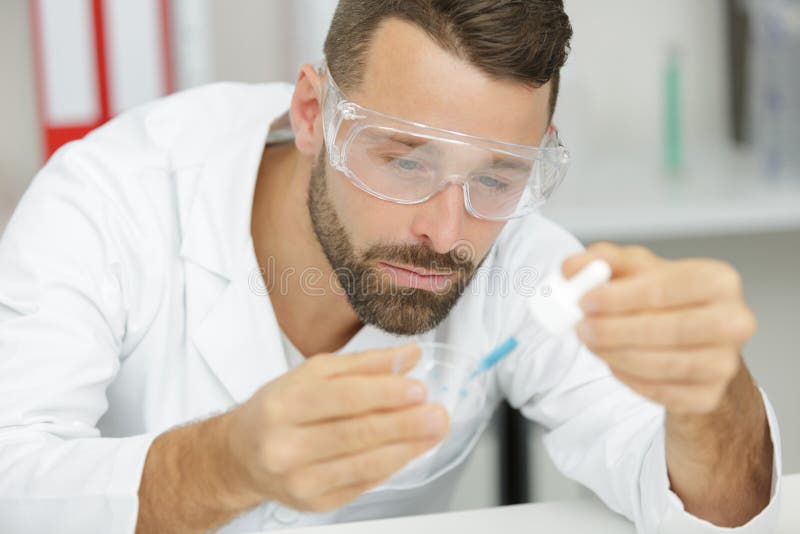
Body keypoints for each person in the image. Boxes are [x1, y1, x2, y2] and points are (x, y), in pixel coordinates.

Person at [0, 1, 781, 533]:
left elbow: (720, 508)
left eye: (498, 175)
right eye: (405, 162)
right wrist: (224, 463)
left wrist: (712, 396)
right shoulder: (110, 201)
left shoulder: (519, 253)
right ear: (314, 114)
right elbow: (11, 481)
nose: (447, 232)